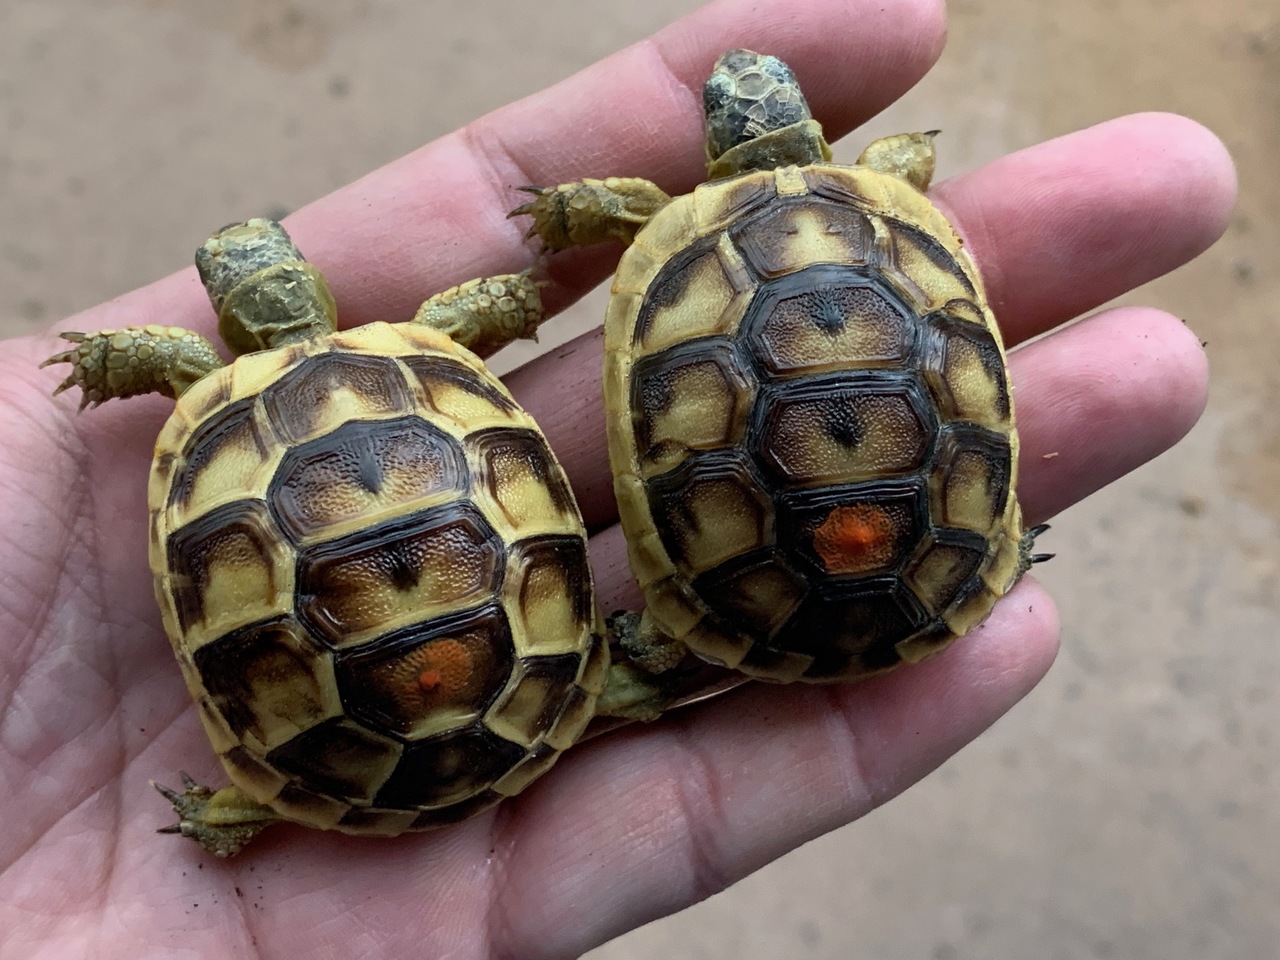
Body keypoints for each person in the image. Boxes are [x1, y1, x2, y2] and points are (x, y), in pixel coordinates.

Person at [0, 0, 1234, 956]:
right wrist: (515, 275)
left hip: (427, 709)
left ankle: (272, 793)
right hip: (727, 605)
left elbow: (533, 266)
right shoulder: (880, 194)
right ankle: (702, 642)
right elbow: (499, 302)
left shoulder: (237, 388)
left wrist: (542, 244)